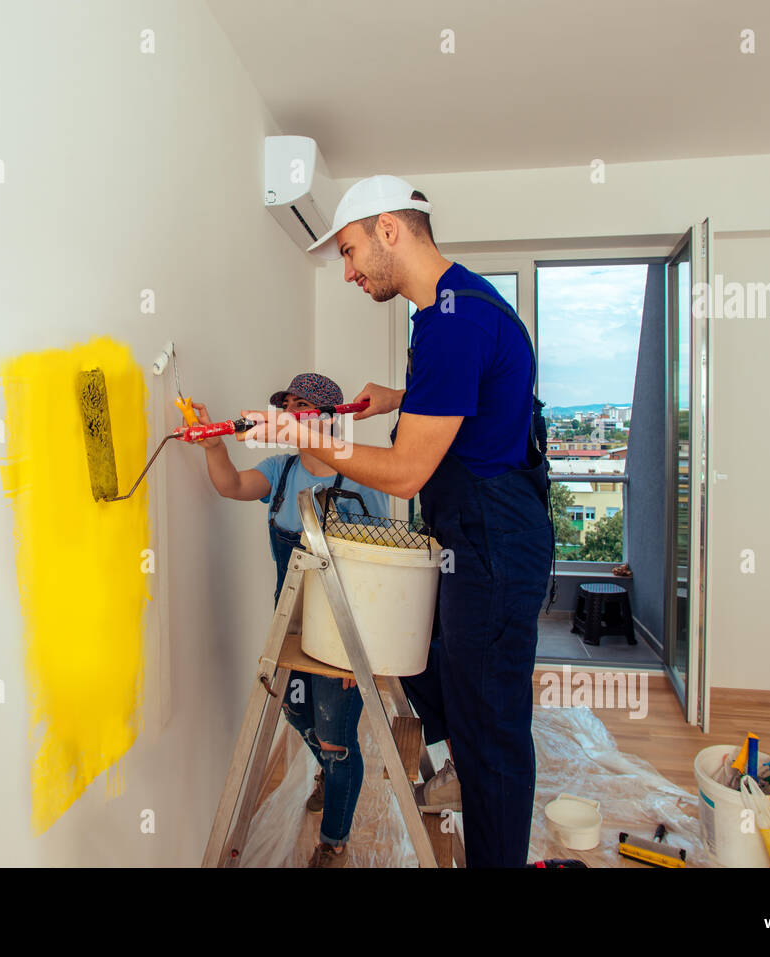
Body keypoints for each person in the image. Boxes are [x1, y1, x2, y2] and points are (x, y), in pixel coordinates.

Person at [238, 175, 553, 868]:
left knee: (493, 729)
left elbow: (407, 472)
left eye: (350, 252)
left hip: (493, 540)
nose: (348, 272)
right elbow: (480, 391)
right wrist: (398, 398)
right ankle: (458, 764)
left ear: (390, 230)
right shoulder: (457, 304)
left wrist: (311, 440)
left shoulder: (451, 324)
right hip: (479, 531)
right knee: (432, 661)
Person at [191, 372, 390, 868]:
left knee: (336, 738)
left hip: (342, 638)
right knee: (295, 712)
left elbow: (380, 569)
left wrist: (362, 651)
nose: (287, 414)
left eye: (300, 406)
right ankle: (328, 769)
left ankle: (333, 842)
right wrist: (214, 443)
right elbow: (233, 485)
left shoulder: (359, 482)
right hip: (293, 633)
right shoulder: (280, 472)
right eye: (286, 405)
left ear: (326, 419)